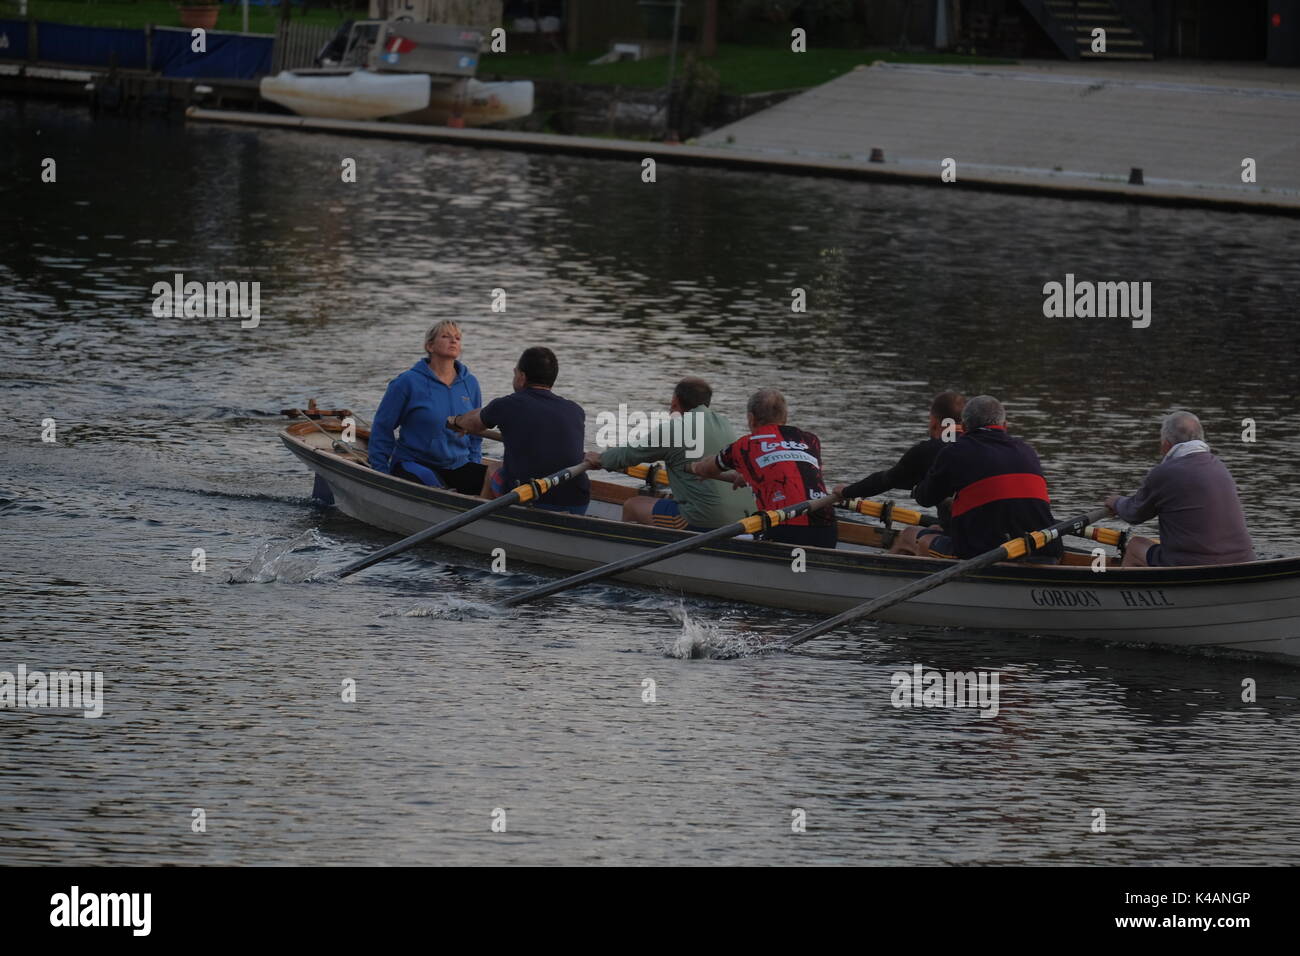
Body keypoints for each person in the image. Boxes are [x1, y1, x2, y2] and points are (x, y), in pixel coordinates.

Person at [894, 395, 1060, 561]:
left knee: (912, 536)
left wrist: (917, 490)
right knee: (936, 528)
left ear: (964, 427)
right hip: (1045, 549)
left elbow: (926, 498)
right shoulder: (1028, 451)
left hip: (984, 554)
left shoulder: (954, 452)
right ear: (1005, 425)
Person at [586, 377, 755, 531]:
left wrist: (600, 459)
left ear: (675, 402)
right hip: (745, 519)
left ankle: (631, 559)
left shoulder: (676, 429)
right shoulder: (725, 425)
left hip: (704, 519)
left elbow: (630, 454)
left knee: (633, 505)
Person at [448, 346, 590, 515]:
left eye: (515, 373)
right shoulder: (575, 410)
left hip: (532, 499)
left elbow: (473, 424)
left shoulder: (508, 405)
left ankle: (484, 515)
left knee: (494, 468)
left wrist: (456, 421)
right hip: (578, 503)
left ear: (521, 377)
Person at [1102, 411, 1255, 567]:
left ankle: (1128, 592)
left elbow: (1133, 514)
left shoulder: (1165, 472)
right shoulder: (1220, 466)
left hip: (1194, 565)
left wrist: (1116, 502)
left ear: (1166, 444)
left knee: (1135, 545)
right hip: (1244, 560)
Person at [690, 387, 837, 549]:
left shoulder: (744, 445)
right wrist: (748, 475)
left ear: (751, 418)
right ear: (785, 417)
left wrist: (693, 466)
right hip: (827, 531)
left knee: (718, 533)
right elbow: (792, 470)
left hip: (784, 531)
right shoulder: (810, 440)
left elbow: (707, 469)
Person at [368, 320, 485, 494]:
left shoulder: (470, 383)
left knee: (497, 481)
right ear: (430, 346)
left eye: (458, 338)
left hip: (458, 465)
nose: (453, 341)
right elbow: (382, 427)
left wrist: (474, 463)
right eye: (446, 336)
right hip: (414, 463)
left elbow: (476, 431)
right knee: (437, 488)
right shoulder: (407, 382)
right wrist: (380, 472)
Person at [834, 390, 966, 509]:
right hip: (977, 523)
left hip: (963, 530)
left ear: (934, 422)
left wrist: (847, 491)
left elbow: (886, 480)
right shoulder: (981, 443)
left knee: (909, 533)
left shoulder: (926, 451)